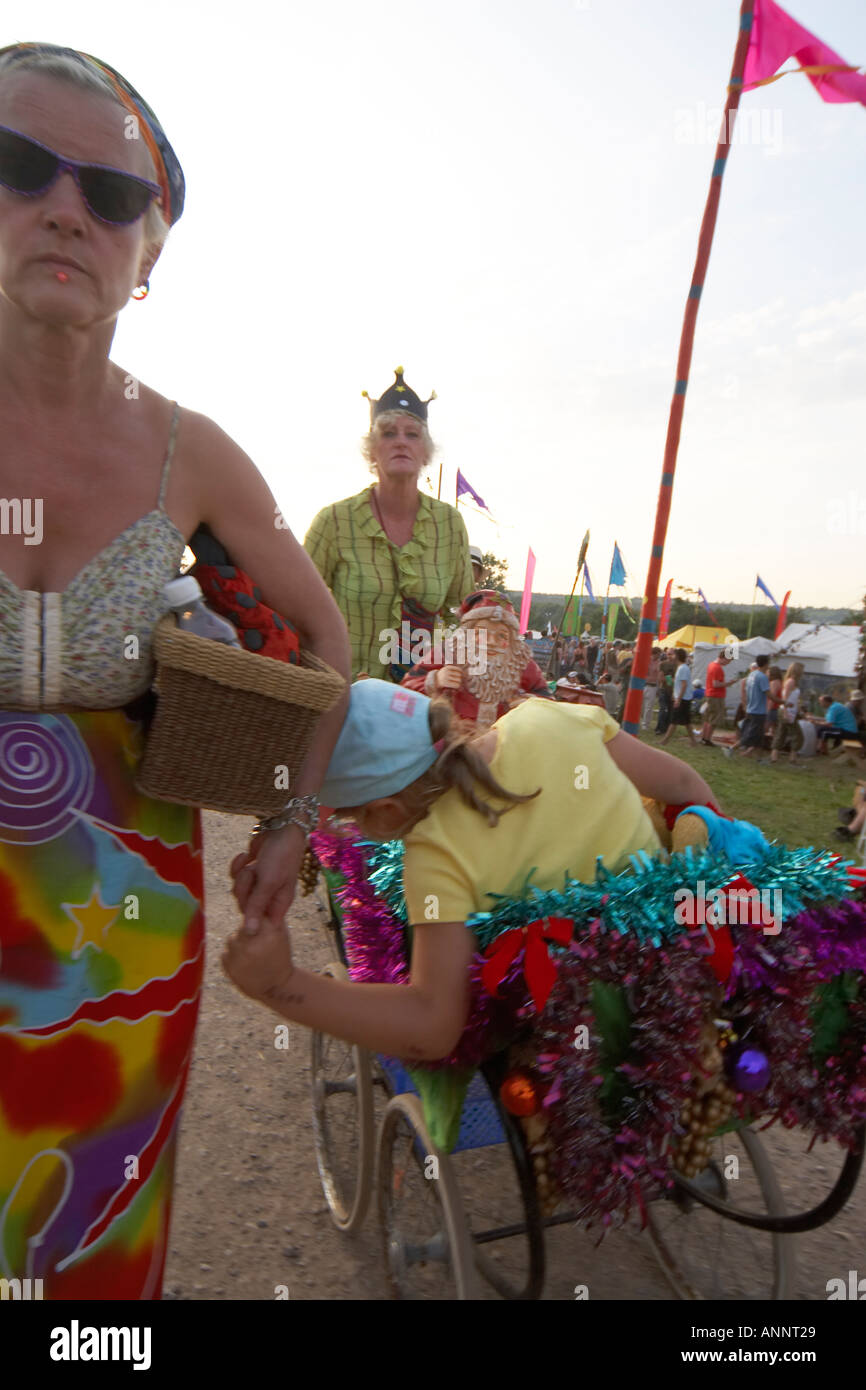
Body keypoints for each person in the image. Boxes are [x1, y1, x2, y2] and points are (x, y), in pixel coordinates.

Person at [0, 43, 351, 1300]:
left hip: (124, 925)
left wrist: (289, 822)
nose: (64, 209)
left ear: (150, 255)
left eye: (111, 194)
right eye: (22, 164)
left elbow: (326, 645)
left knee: (93, 1237)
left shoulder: (191, 453)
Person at [222, 680, 718, 1065]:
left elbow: (433, 1029)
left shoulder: (435, 854)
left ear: (389, 810)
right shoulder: (550, 716)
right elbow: (683, 782)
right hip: (690, 958)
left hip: (589, 1020)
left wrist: (280, 982)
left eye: (352, 818)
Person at [304, 368, 473, 681]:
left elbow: (462, 615)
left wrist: (444, 674)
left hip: (420, 703)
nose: (401, 442)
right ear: (372, 450)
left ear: (425, 452)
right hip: (344, 695)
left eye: (412, 434)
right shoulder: (334, 522)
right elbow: (298, 606)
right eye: (389, 434)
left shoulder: (450, 524)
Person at [401, 590, 551, 727]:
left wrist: (530, 703)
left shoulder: (520, 662)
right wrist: (435, 680)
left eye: (501, 635)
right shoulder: (447, 652)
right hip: (450, 740)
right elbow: (405, 689)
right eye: (482, 633)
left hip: (501, 744)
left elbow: (549, 703)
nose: (491, 642)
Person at [726, 653, 770, 758]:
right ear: (766, 664)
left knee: (758, 736)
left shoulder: (751, 675)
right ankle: (731, 748)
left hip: (751, 708)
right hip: (758, 711)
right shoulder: (762, 677)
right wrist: (782, 702)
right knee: (750, 735)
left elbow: (746, 692)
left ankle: (760, 758)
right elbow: (768, 693)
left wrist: (746, 705)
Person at [660, 648, 698, 746]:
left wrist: (678, 699)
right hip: (683, 698)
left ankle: (665, 741)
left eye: (673, 655)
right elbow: (678, 684)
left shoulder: (683, 668)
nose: (671, 657)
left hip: (683, 699)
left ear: (677, 656)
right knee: (687, 722)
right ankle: (693, 741)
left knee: (674, 721)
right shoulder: (681, 668)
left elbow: (684, 685)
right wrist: (674, 694)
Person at [769, 661, 804, 766]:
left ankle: (774, 757)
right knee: (797, 735)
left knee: (781, 733)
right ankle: (792, 758)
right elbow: (785, 698)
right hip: (787, 711)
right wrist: (785, 712)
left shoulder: (791, 681)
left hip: (790, 710)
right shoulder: (791, 682)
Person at [700, 650, 731, 745]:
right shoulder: (717, 668)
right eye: (728, 660)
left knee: (708, 717)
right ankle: (707, 739)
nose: (728, 662)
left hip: (710, 694)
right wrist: (728, 684)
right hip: (716, 695)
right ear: (724, 658)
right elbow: (716, 684)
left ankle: (704, 737)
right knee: (714, 718)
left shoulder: (711, 665)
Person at [641, 645, 661, 731]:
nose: (659, 656)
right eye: (658, 654)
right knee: (642, 706)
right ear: (654, 654)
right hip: (644, 684)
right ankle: (642, 721)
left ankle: (646, 724)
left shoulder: (659, 663)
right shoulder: (647, 660)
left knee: (649, 707)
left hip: (653, 685)